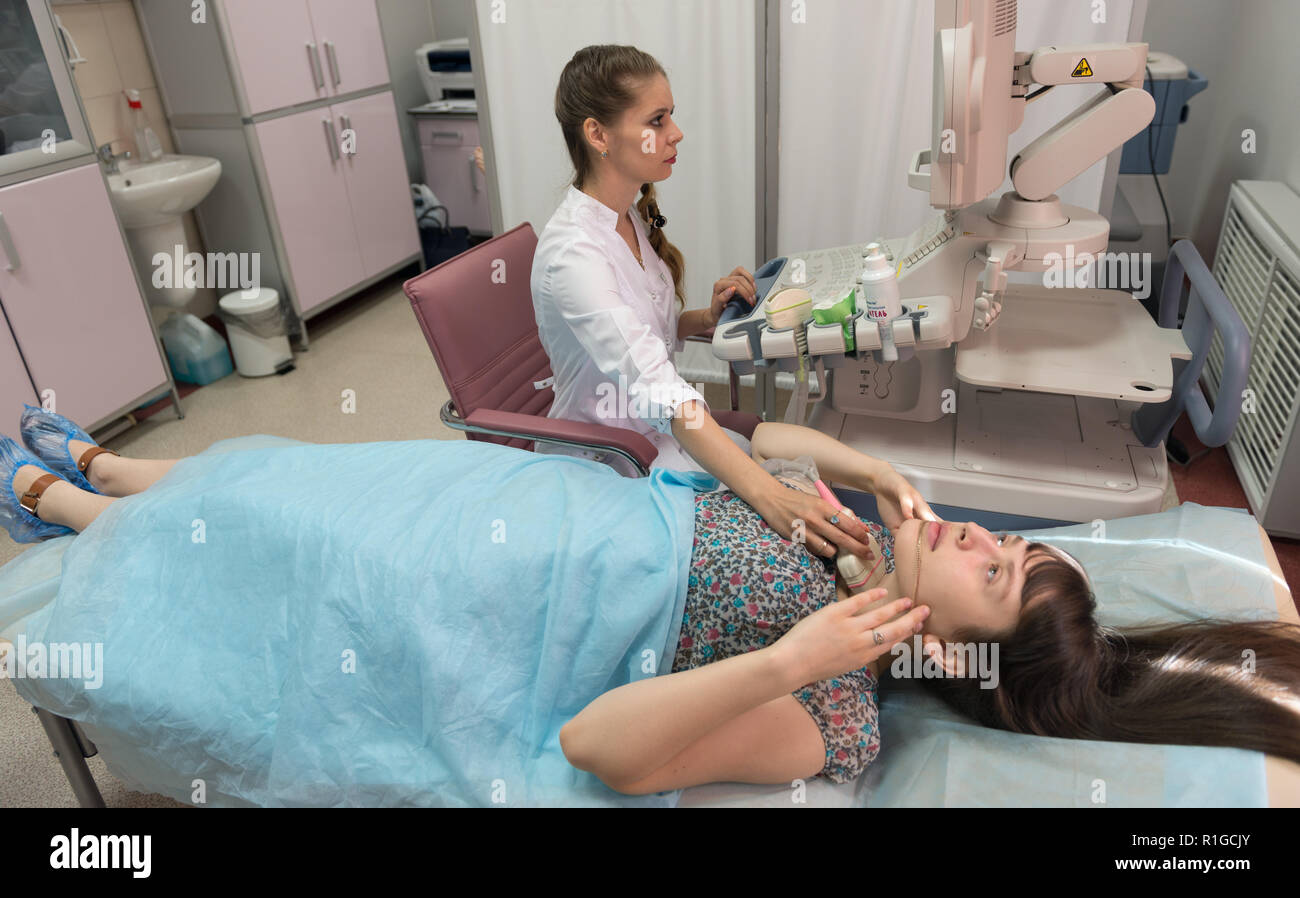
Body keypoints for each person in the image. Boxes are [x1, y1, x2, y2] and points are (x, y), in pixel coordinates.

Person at [3, 407, 1298, 798]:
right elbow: (757, 436)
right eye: (1005, 542)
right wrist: (851, 472)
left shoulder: (833, 710)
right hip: (533, 502)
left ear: (953, 653)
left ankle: (61, 501)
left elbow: (598, 747)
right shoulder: (853, 542)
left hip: (492, 595)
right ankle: (108, 469)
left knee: (293, 548)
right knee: (299, 477)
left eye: (993, 570)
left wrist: (791, 655)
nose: (977, 534)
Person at [532, 44, 901, 558]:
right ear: (598, 135)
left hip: (657, 432)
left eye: (671, 116)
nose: (676, 133)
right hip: (610, 460)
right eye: (657, 120)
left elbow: (640, 330)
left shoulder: (626, 216)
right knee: (784, 531)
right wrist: (768, 497)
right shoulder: (573, 254)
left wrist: (702, 318)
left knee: (801, 495)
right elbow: (654, 382)